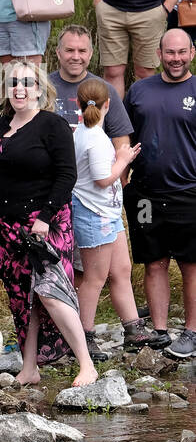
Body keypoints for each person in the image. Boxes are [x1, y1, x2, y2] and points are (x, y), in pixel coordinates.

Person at [0, 62, 97, 386]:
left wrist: (44, 219)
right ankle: (29, 367)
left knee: (49, 291)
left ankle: (86, 363)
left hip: (44, 223)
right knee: (21, 298)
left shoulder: (52, 125)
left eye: (27, 83)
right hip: (7, 225)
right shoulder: (3, 122)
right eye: (14, 82)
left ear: (40, 89)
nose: (19, 88)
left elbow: (66, 176)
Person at [71, 80, 159, 358]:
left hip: (107, 213)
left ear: (78, 105)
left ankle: (133, 328)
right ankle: (84, 336)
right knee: (94, 279)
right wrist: (123, 159)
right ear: (108, 104)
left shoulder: (86, 133)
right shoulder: (93, 138)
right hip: (93, 214)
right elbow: (102, 179)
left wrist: (120, 157)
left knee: (121, 269)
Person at [124, 29, 196, 357]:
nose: (176, 58)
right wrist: (122, 181)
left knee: (190, 264)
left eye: (182, 52)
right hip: (145, 194)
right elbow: (122, 139)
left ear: (192, 53)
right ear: (159, 53)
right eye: (170, 52)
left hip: (189, 192)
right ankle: (160, 330)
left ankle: (192, 332)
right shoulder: (139, 90)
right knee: (154, 262)